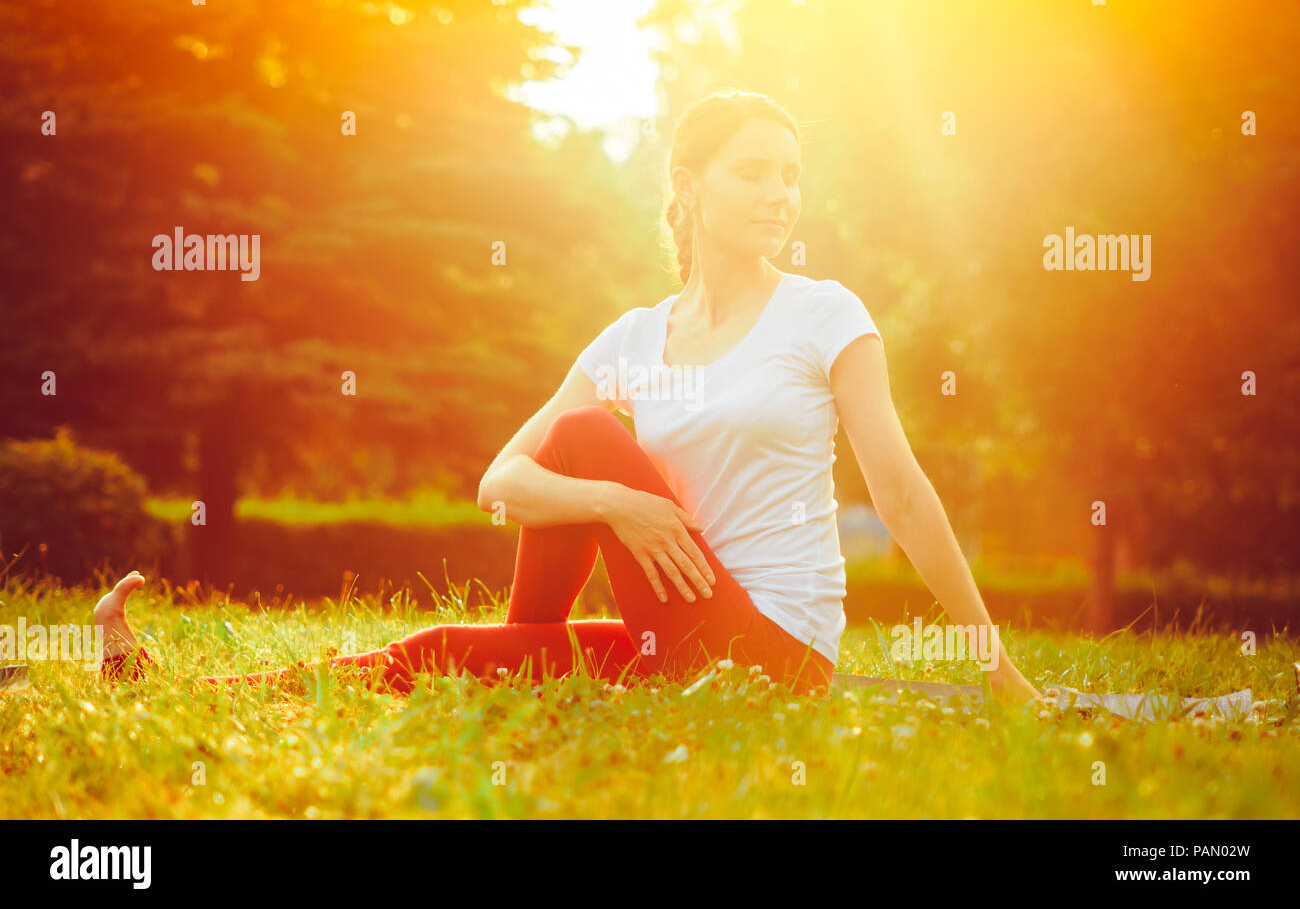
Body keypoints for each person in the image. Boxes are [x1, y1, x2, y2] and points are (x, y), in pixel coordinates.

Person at [97, 88, 1042, 705]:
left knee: (587, 432)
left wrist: (999, 674)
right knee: (437, 648)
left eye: (792, 176)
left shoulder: (825, 315)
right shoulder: (632, 337)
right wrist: (614, 504)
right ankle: (158, 680)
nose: (780, 194)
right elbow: (499, 482)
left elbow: (904, 497)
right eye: (754, 170)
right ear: (689, 186)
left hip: (774, 656)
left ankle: (528, 659)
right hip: (669, 635)